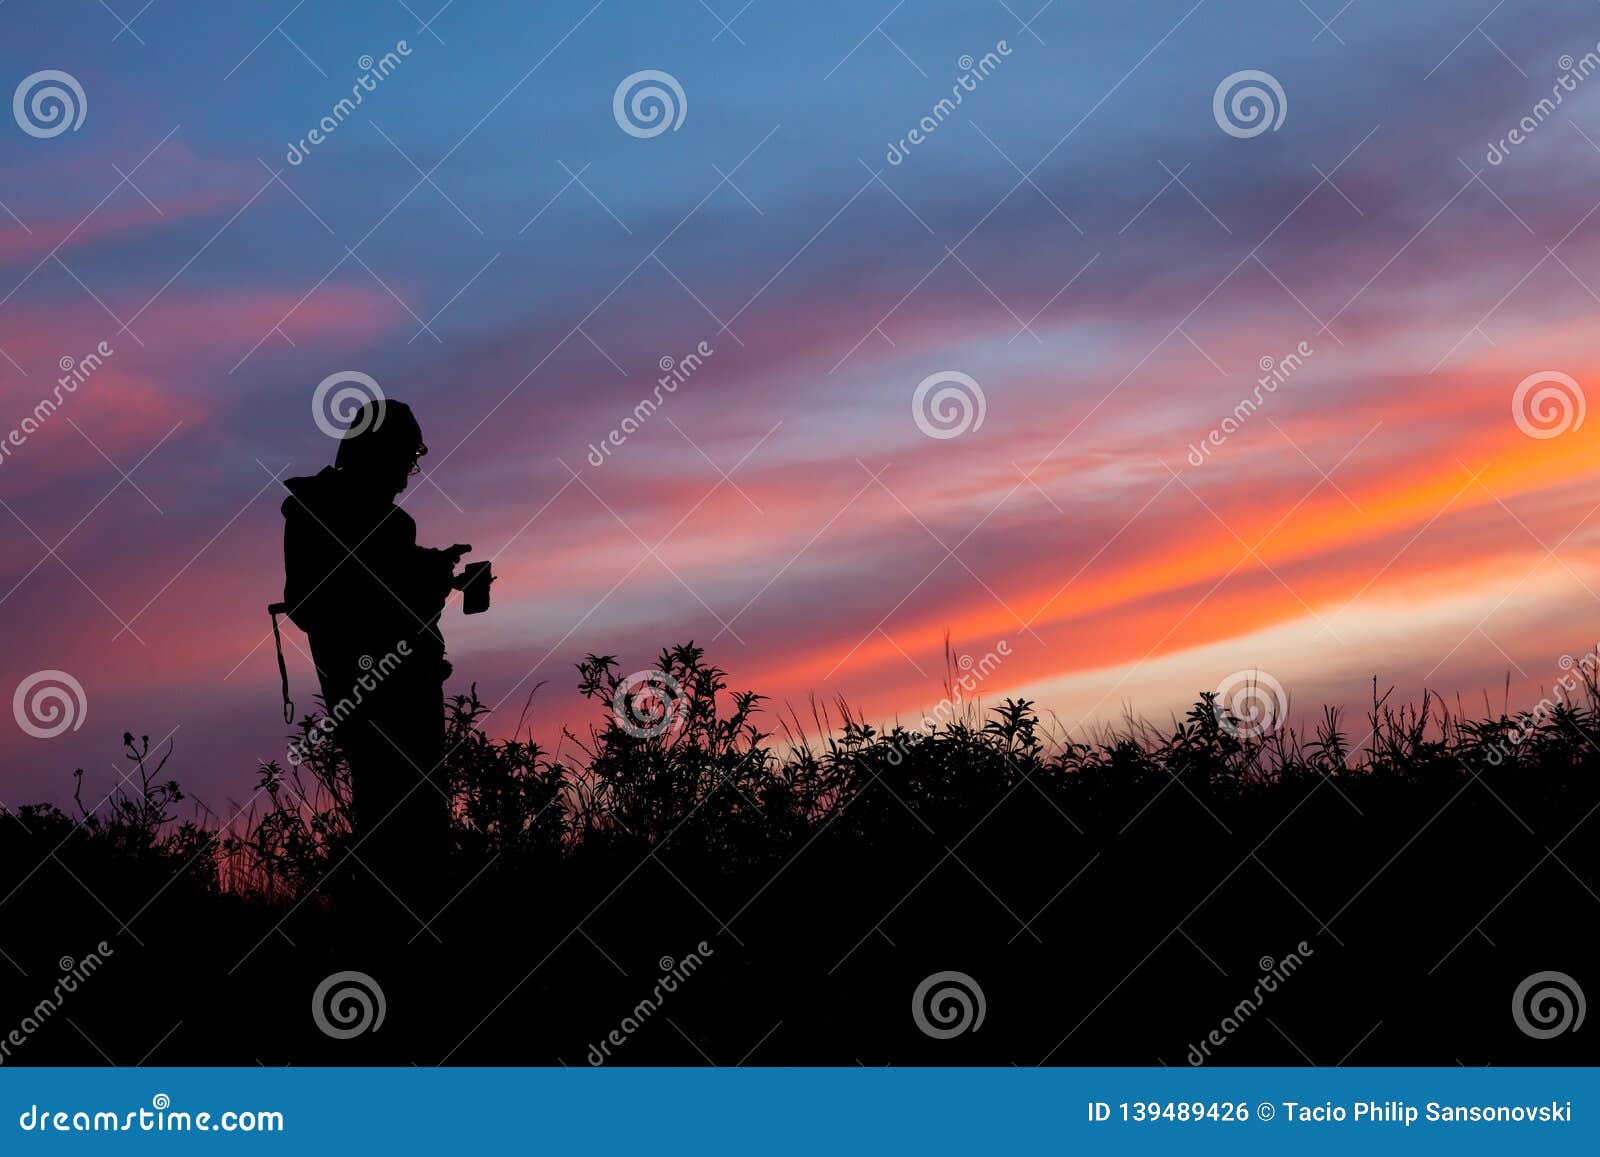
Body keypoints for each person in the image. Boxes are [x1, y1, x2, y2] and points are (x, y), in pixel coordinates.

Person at [279, 399, 466, 915]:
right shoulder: (365, 517)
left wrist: (430, 570)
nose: (408, 476)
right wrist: (430, 580)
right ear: (379, 454)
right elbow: (370, 598)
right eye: (404, 459)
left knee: (388, 815)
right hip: (393, 695)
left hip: (364, 691)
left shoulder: (321, 510)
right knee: (410, 824)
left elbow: (348, 592)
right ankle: (401, 927)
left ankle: (384, 924)